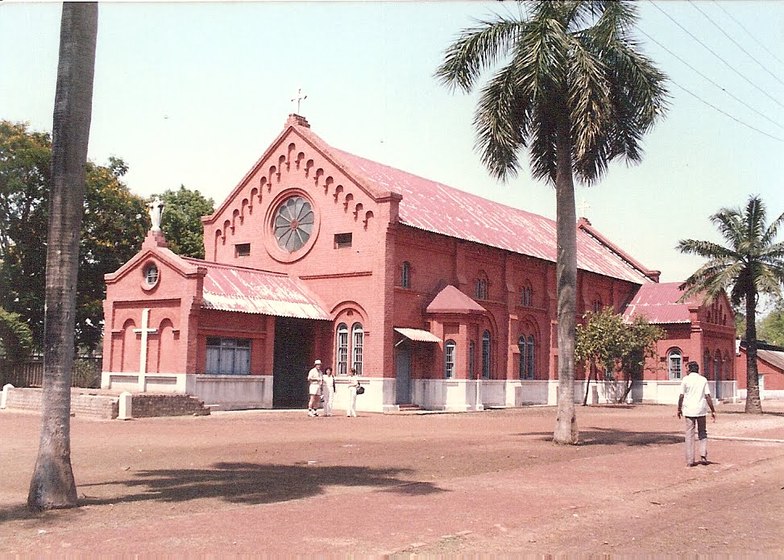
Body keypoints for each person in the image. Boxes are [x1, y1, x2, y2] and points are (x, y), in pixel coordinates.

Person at [677, 361, 716, 467]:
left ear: (689, 369)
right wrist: (712, 410)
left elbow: (681, 396)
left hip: (689, 409)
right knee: (702, 432)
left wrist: (679, 408)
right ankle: (703, 455)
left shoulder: (685, 380)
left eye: (686, 368)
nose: (686, 370)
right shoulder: (703, 380)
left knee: (689, 434)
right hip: (701, 409)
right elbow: (707, 396)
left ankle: (690, 460)